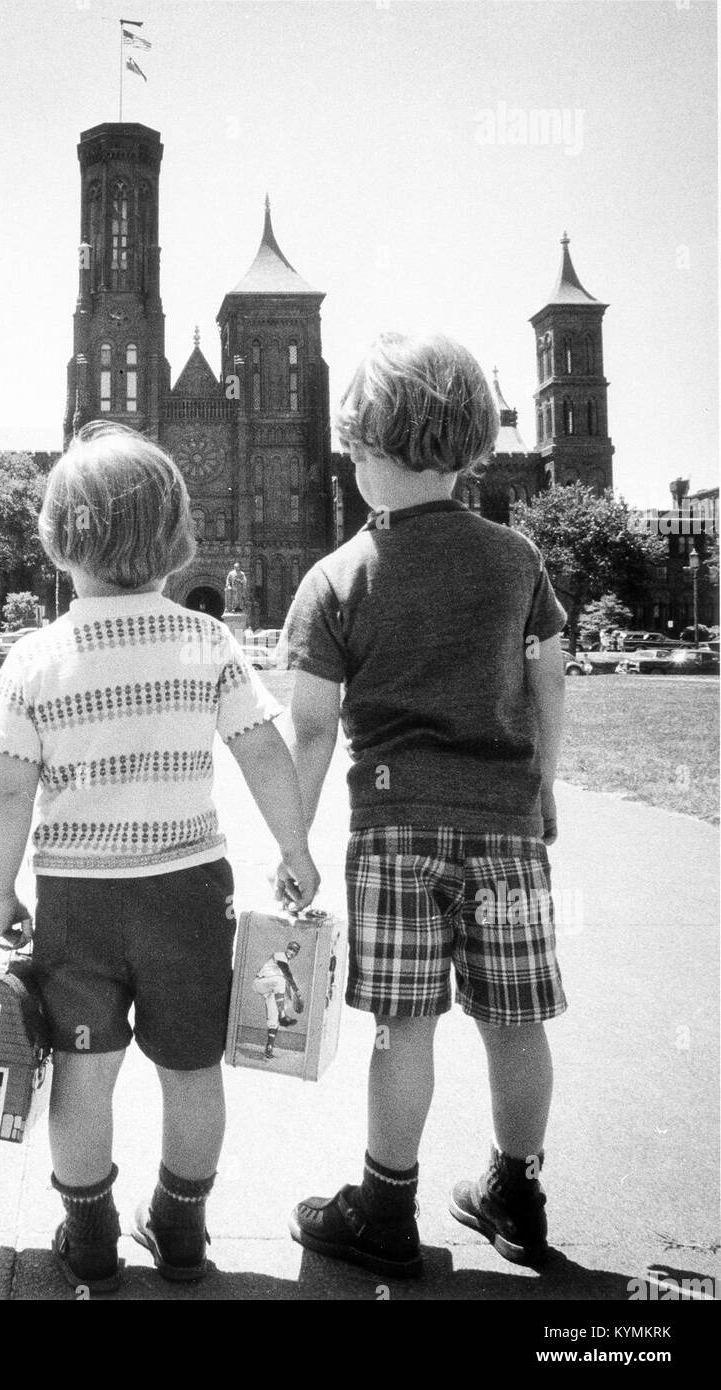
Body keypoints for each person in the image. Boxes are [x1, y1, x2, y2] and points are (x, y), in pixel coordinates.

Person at [0, 422, 319, 1292]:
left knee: (83, 1078)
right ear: (179, 540)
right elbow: (262, 751)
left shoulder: (36, 658)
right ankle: (180, 1224)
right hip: (187, 894)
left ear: (59, 539)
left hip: (78, 902)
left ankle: (87, 1235)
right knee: (193, 1071)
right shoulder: (207, 641)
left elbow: (8, 793)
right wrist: (293, 847)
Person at [282, 332, 567, 1279]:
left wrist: (291, 839)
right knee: (514, 1018)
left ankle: (385, 1206)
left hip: (395, 831)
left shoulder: (336, 577)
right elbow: (548, 684)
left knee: (404, 1023)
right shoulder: (516, 560)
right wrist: (542, 789)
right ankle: (516, 1192)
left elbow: (314, 729)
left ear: (363, 449)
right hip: (505, 829)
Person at [252, 940, 305, 1058]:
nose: (291, 952)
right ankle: (283, 1015)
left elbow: (285, 986)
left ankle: (269, 1048)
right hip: (260, 983)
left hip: (271, 990)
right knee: (280, 980)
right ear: (287, 948)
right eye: (290, 949)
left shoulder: (286, 963)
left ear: (296, 954)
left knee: (273, 1018)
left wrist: (292, 999)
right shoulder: (279, 955)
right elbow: (287, 974)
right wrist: (298, 993)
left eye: (294, 951)